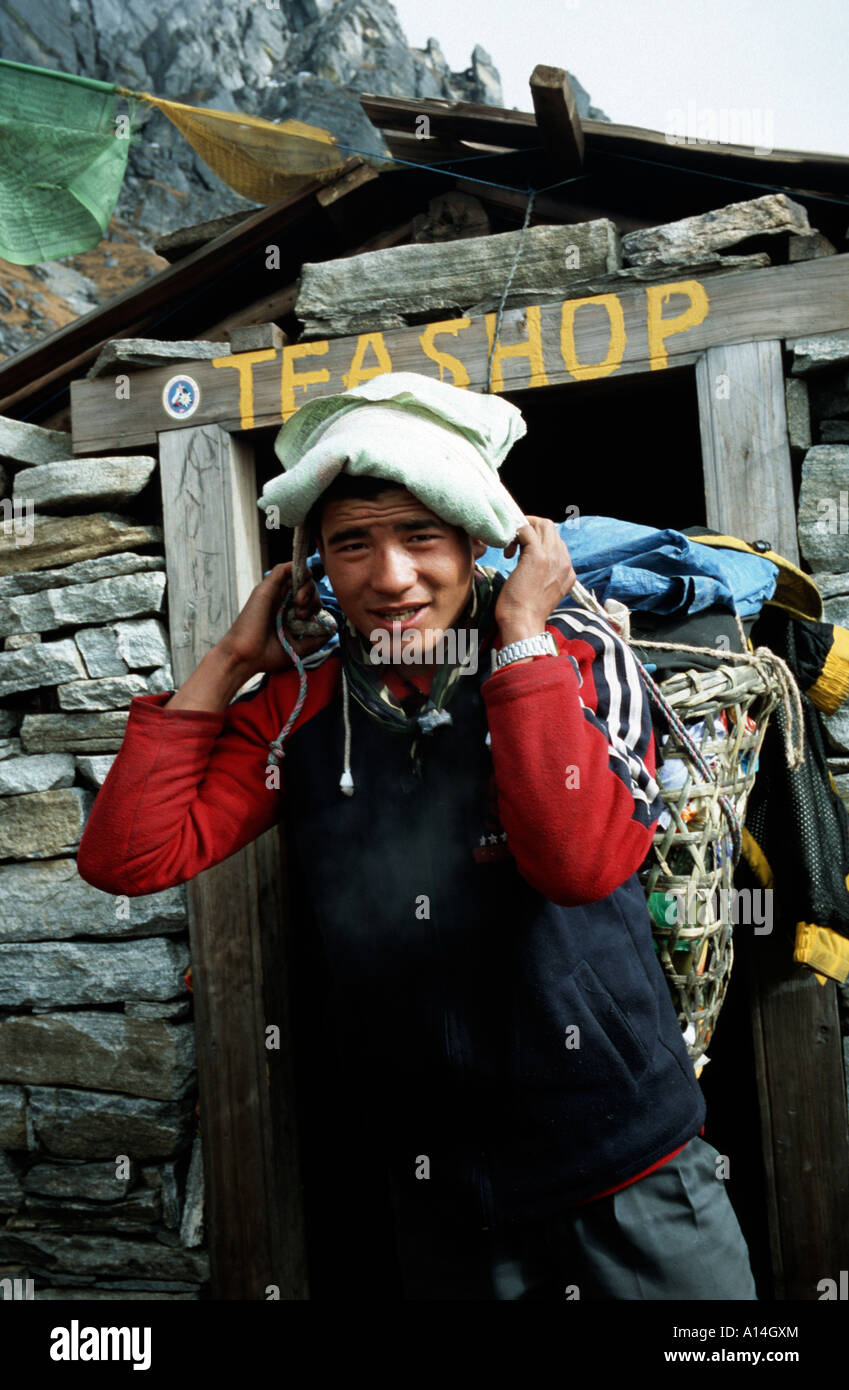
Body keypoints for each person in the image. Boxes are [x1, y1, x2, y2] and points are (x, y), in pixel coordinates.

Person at [77, 372, 757, 1301]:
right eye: (351, 544)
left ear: (478, 542)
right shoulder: (304, 702)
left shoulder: (572, 657)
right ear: (312, 564)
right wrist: (232, 657)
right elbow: (130, 856)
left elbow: (575, 867)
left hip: (625, 1163)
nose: (390, 579)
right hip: (441, 1183)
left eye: (420, 537)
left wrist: (518, 635)